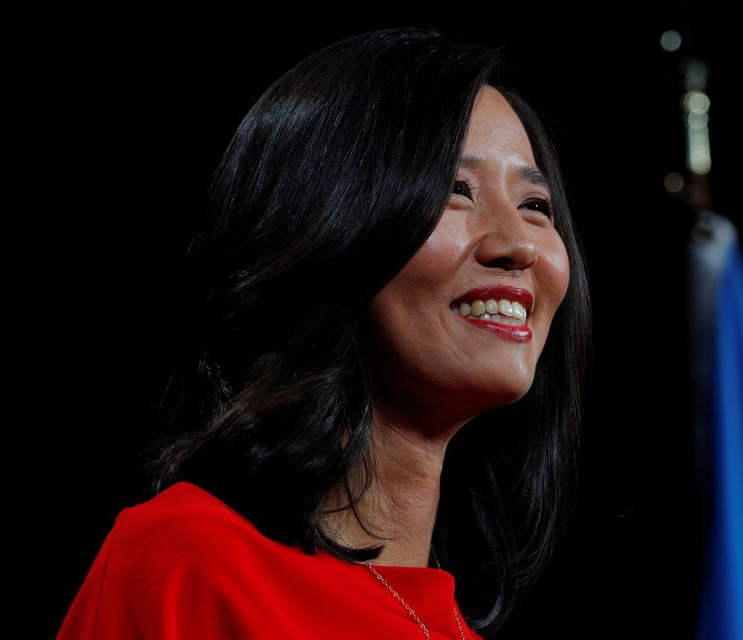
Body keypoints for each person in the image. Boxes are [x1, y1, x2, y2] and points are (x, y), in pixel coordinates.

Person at [57, 26, 591, 639]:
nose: (519, 244)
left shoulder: (444, 626)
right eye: (454, 190)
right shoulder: (188, 563)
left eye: (535, 206)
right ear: (327, 227)